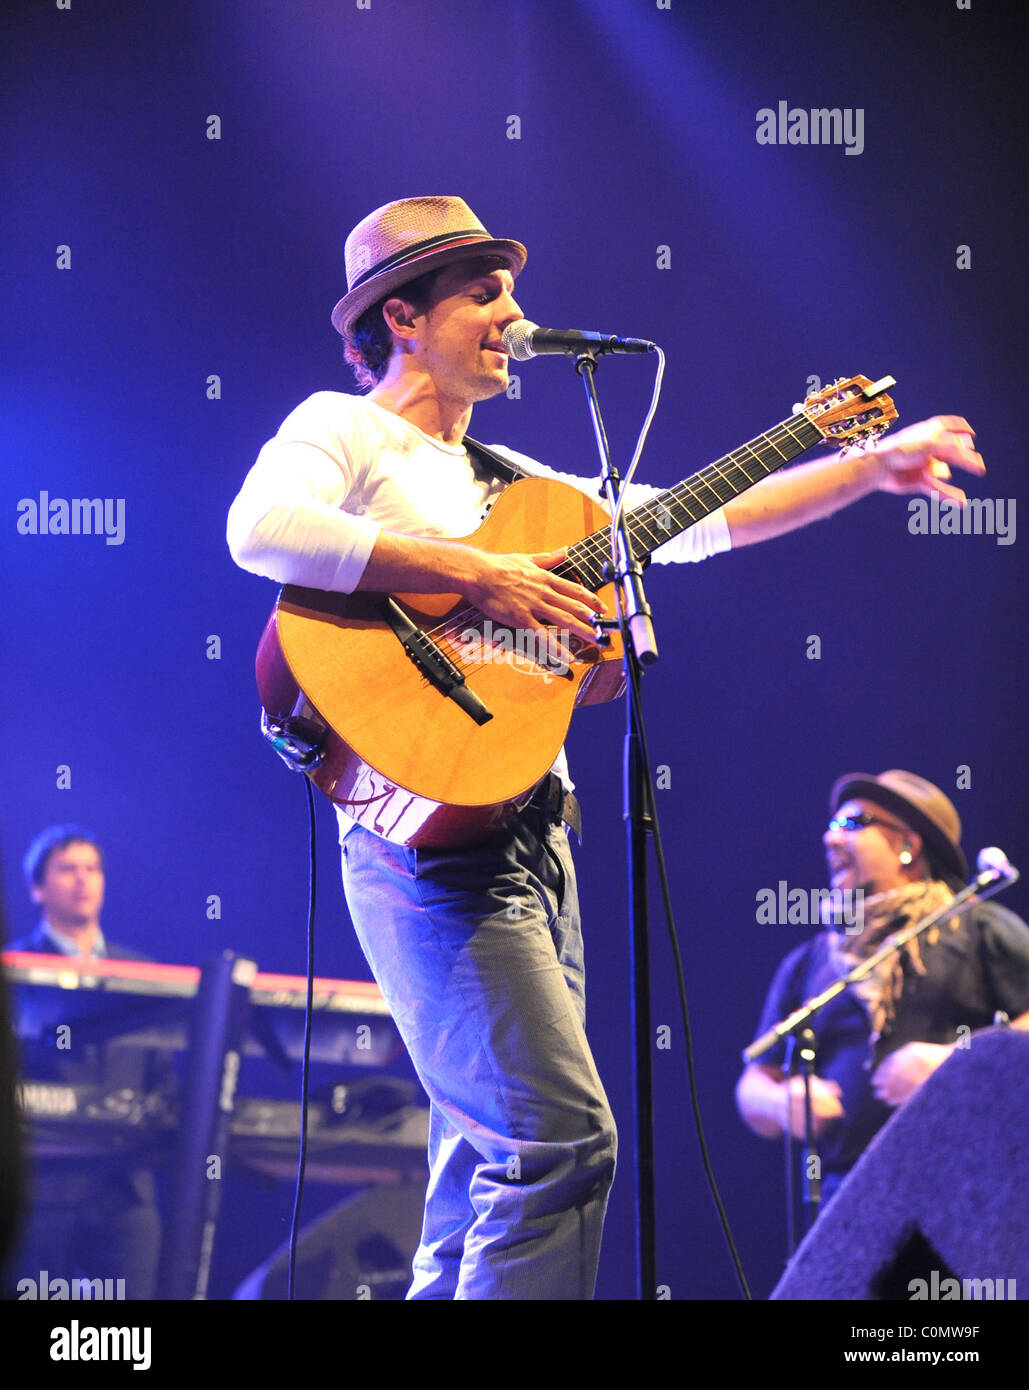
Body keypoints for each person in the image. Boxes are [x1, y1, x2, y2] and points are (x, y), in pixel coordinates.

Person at [227, 195, 987, 1299]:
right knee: (562, 1144)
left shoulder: (521, 480)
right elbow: (260, 528)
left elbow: (701, 517)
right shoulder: (347, 430)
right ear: (401, 316)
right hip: (425, 843)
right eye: (484, 293)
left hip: (534, 831)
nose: (514, 314)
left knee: (481, 1163)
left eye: (512, 292)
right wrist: (483, 576)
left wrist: (864, 465)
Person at [736, 771, 1029, 1207]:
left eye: (852, 823)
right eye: (831, 826)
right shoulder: (810, 962)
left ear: (907, 845)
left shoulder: (976, 927)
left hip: (967, 1193)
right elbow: (753, 1085)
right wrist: (783, 1100)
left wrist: (955, 1063)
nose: (829, 839)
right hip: (846, 1203)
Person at [6, 826, 169, 1300]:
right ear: (37, 888)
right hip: (41, 1195)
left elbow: (163, 1083)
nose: (83, 880)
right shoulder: (13, 969)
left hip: (125, 1197)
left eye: (92, 868)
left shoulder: (144, 973)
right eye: (67, 869)